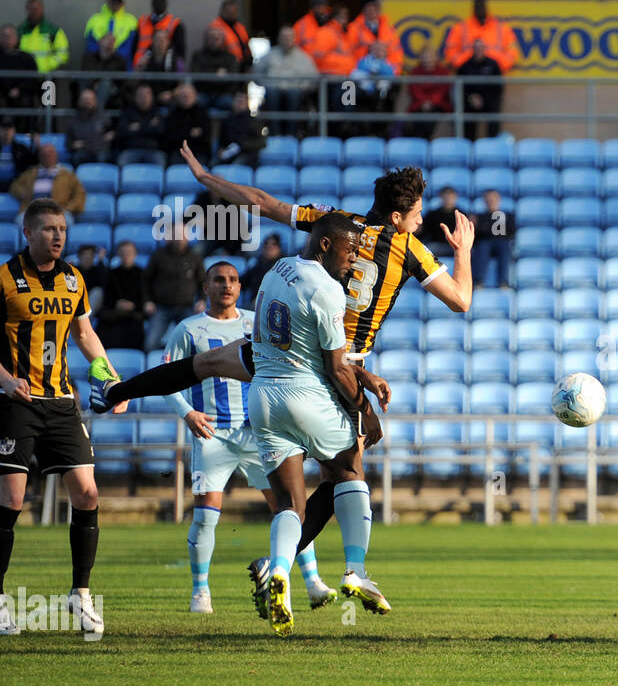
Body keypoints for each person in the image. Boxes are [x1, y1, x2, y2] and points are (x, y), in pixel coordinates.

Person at [91, 150, 477, 615]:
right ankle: (340, 568)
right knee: (344, 473)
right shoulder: (408, 247)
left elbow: (260, 201)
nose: (419, 224)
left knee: (206, 363)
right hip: (335, 361)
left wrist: (207, 178)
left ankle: (119, 391)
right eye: (416, 217)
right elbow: (461, 300)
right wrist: (463, 253)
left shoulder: (332, 224)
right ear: (398, 218)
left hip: (281, 350)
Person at [247, 213, 380, 636]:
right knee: (348, 467)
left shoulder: (277, 269)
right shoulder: (326, 290)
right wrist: (366, 411)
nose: (355, 259)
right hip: (304, 394)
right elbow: (337, 367)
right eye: (351, 249)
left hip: (263, 396)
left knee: (290, 505)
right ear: (325, 244)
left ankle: (280, 573)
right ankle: (356, 571)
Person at [0, 199, 126, 637]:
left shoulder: (75, 280)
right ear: (28, 233)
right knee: (12, 501)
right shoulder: (4, 278)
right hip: (17, 403)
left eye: (63, 230)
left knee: (88, 494)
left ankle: (81, 594)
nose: (58, 237)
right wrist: (2, 378)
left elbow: (85, 335)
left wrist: (112, 380)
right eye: (49, 229)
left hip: (60, 403)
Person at [162, 262, 311, 614]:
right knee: (205, 516)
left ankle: (313, 582)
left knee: (289, 509)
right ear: (206, 287)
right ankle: (201, 593)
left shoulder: (255, 322)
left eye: (231, 280)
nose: (226, 286)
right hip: (213, 434)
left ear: (240, 287)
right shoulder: (189, 329)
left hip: (258, 433)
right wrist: (188, 413)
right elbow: (166, 376)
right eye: (219, 280)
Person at [142, 221, 205, 351]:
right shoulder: (158, 255)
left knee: (194, 346)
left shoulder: (195, 257)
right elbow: (145, 280)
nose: (179, 239)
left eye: (182, 235)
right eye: (176, 235)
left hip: (186, 307)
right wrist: (147, 301)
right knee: (150, 344)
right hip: (161, 308)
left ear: (187, 237)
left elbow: (202, 281)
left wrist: (202, 300)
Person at [256, 27, 318, 137]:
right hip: (274, 90)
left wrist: (303, 87)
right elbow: (255, 73)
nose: (286, 40)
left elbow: (314, 79)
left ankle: (291, 134)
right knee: (271, 93)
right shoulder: (269, 55)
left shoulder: (304, 58)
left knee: (293, 94)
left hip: (295, 92)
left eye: (289, 37)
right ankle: (275, 134)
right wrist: (266, 83)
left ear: (294, 39)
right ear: (279, 38)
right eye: (283, 37)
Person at [9, 143, 85, 218]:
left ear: (56, 155)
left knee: (66, 221)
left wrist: (69, 208)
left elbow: (79, 193)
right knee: (20, 221)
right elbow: (14, 185)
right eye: (43, 154)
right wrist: (20, 191)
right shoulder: (30, 173)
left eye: (50, 153)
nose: (46, 156)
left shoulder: (67, 174)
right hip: (32, 211)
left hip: (58, 212)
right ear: (39, 157)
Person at [97, 239, 146, 350]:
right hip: (115, 314)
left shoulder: (142, 274)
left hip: (135, 314)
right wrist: (117, 303)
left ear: (135, 254)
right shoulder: (112, 274)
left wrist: (133, 305)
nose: (126, 255)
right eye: (123, 253)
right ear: (118, 255)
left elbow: (145, 297)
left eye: (129, 252)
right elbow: (107, 297)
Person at [457, 39, 504, 140]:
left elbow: (498, 87)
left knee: (494, 111)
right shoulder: (465, 66)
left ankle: (493, 143)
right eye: (476, 48)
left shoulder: (493, 64)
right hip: (471, 100)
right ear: (472, 49)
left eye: (481, 48)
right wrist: (471, 97)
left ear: (485, 49)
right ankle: (469, 144)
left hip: (489, 100)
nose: (479, 50)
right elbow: (460, 88)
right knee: (465, 114)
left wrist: (485, 98)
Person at [114, 83, 167, 166]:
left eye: (147, 94)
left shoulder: (157, 113)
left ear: (152, 97)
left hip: (153, 151)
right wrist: (149, 126)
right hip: (131, 149)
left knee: (160, 163)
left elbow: (161, 131)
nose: (144, 97)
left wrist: (137, 127)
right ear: (135, 96)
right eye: (141, 95)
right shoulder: (127, 112)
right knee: (122, 162)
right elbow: (121, 131)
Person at [472, 187, 514, 287]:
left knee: (504, 247)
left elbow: (510, 232)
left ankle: (503, 282)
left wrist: (486, 229)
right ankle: (479, 281)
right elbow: (477, 235)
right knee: (482, 247)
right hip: (484, 244)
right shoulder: (478, 216)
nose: (491, 202)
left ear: (498, 200)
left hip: (502, 243)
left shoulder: (507, 215)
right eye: (488, 200)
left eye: (493, 199)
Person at [132, 0, 186, 71]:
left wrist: (178, 68)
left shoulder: (175, 24)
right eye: (157, 2)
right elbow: (134, 47)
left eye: (161, 2)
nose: (159, 4)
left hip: (165, 67)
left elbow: (180, 51)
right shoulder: (142, 22)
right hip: (140, 66)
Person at [84, 0, 138, 64]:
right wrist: (103, 54)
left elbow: (130, 46)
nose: (116, 3)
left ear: (123, 3)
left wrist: (114, 55)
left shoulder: (131, 21)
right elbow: (90, 43)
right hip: (98, 60)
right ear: (107, 0)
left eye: (119, 1)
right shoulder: (94, 19)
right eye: (113, 0)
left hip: (121, 62)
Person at [0, 24, 39, 110]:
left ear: (17, 38)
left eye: (10, 36)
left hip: (21, 94)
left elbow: (33, 78)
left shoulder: (26, 58)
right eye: (4, 36)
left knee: (25, 102)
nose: (7, 38)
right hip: (2, 94)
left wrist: (20, 89)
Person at [209, 0, 252, 73]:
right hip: (227, 68)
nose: (231, 13)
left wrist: (249, 63)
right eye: (229, 11)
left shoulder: (240, 27)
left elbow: (246, 46)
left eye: (234, 11)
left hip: (243, 67)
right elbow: (214, 51)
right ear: (223, 11)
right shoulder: (216, 27)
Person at [0, 117, 36, 192]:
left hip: (15, 184)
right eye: (3, 129)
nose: (6, 132)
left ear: (14, 131)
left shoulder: (22, 149)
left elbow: (34, 164)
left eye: (9, 129)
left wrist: (37, 147)